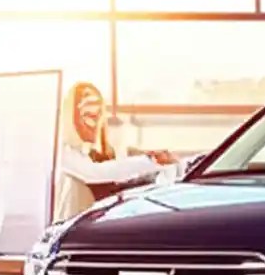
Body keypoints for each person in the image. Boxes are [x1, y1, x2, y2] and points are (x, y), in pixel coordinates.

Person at [52, 81, 175, 223]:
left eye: (99, 115)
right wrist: (149, 161)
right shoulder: (62, 151)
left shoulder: (93, 152)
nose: (96, 123)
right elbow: (94, 173)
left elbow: (114, 177)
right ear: (72, 116)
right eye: (90, 115)